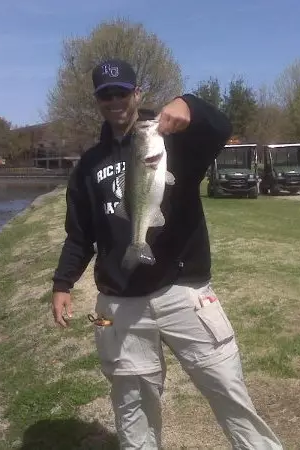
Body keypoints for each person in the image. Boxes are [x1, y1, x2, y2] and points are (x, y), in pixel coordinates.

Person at [51, 58, 283, 450]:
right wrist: (62, 283)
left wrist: (188, 104)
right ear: (98, 102)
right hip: (120, 305)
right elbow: (79, 235)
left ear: (136, 94)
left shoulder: (172, 141)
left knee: (229, 394)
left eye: (122, 92)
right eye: (106, 95)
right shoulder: (89, 166)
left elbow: (221, 128)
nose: (115, 101)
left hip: (183, 292)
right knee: (133, 412)